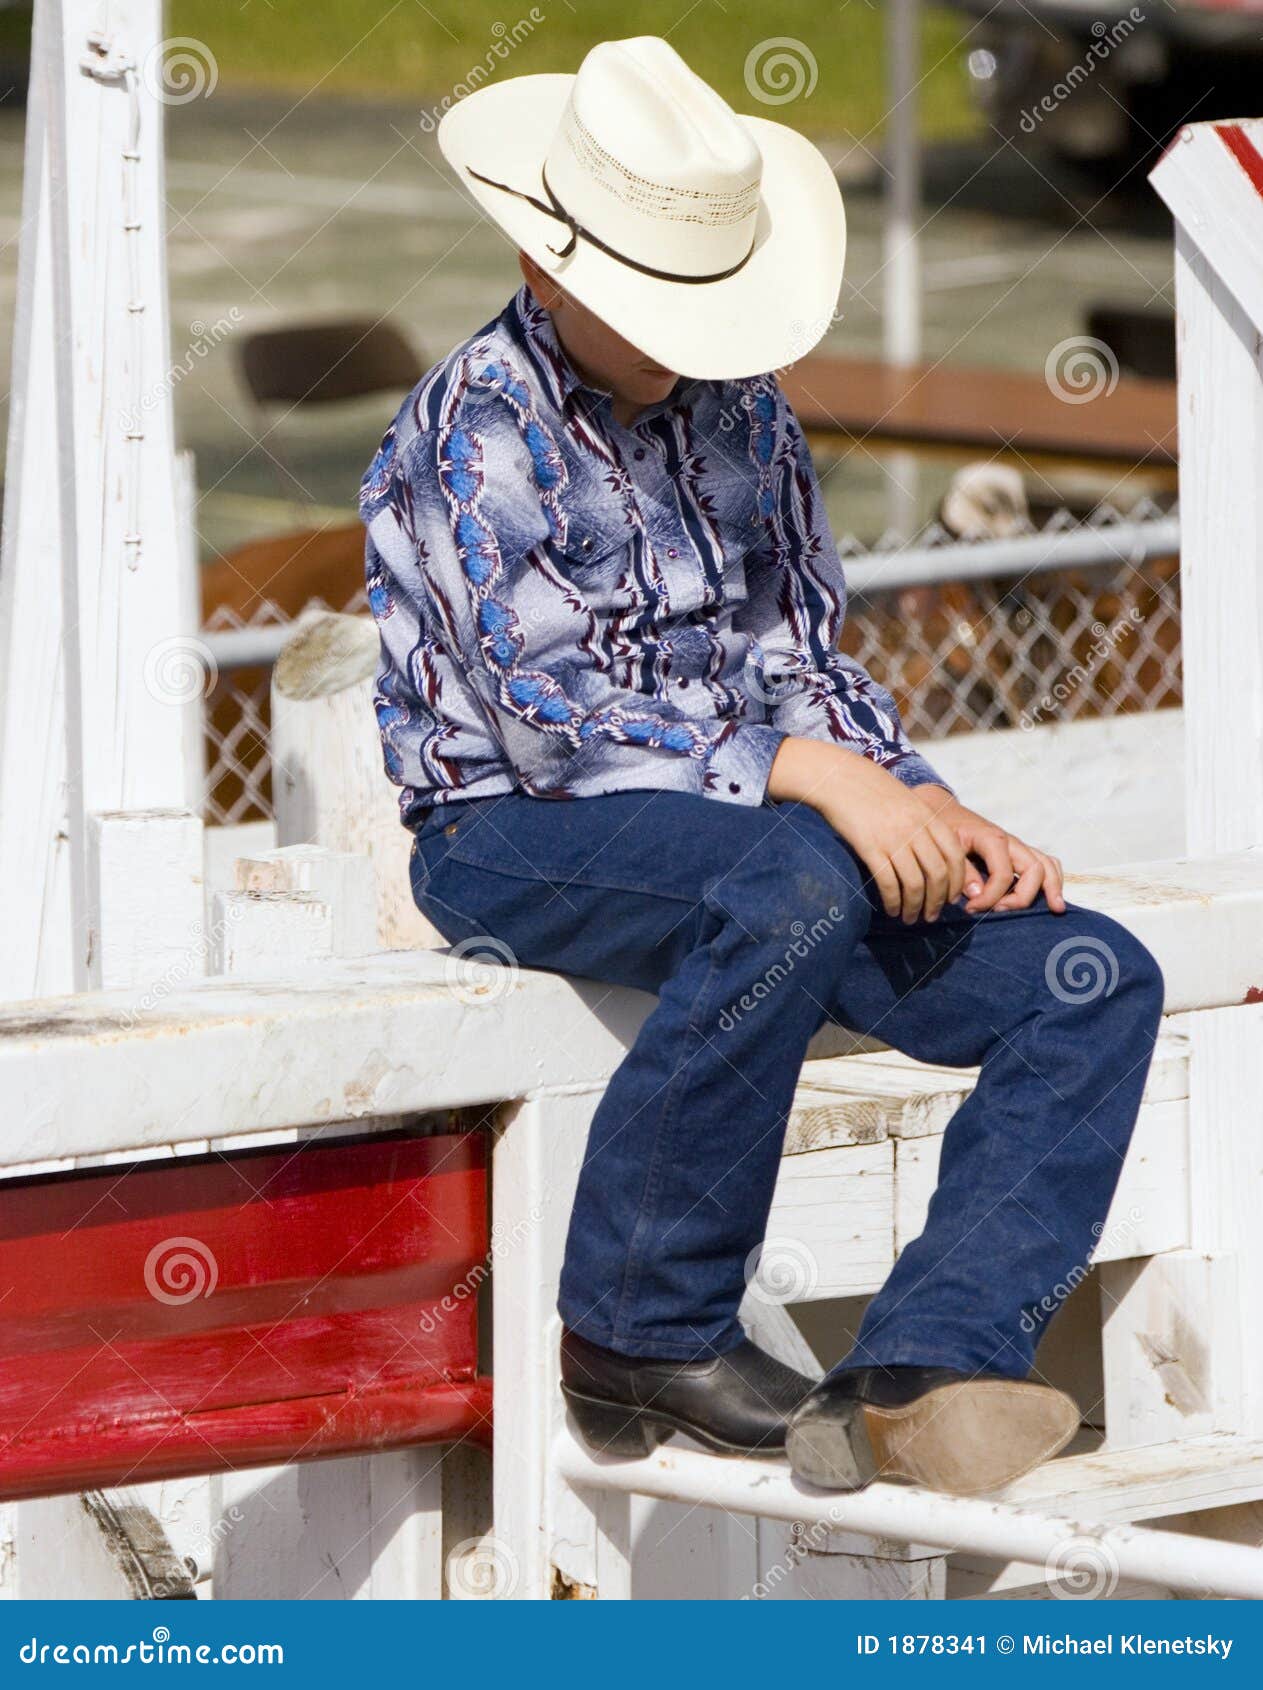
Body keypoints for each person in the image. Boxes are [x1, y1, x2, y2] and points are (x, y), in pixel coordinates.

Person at [359, 36, 1164, 1495]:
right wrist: (816, 779)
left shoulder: (742, 403)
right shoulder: (473, 430)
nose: (686, 331)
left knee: (1090, 974)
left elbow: (798, 646)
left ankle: (921, 1363)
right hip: (513, 829)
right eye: (654, 297)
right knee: (799, 868)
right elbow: (550, 718)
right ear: (549, 272)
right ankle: (639, 1322)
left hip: (772, 836)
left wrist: (913, 793)